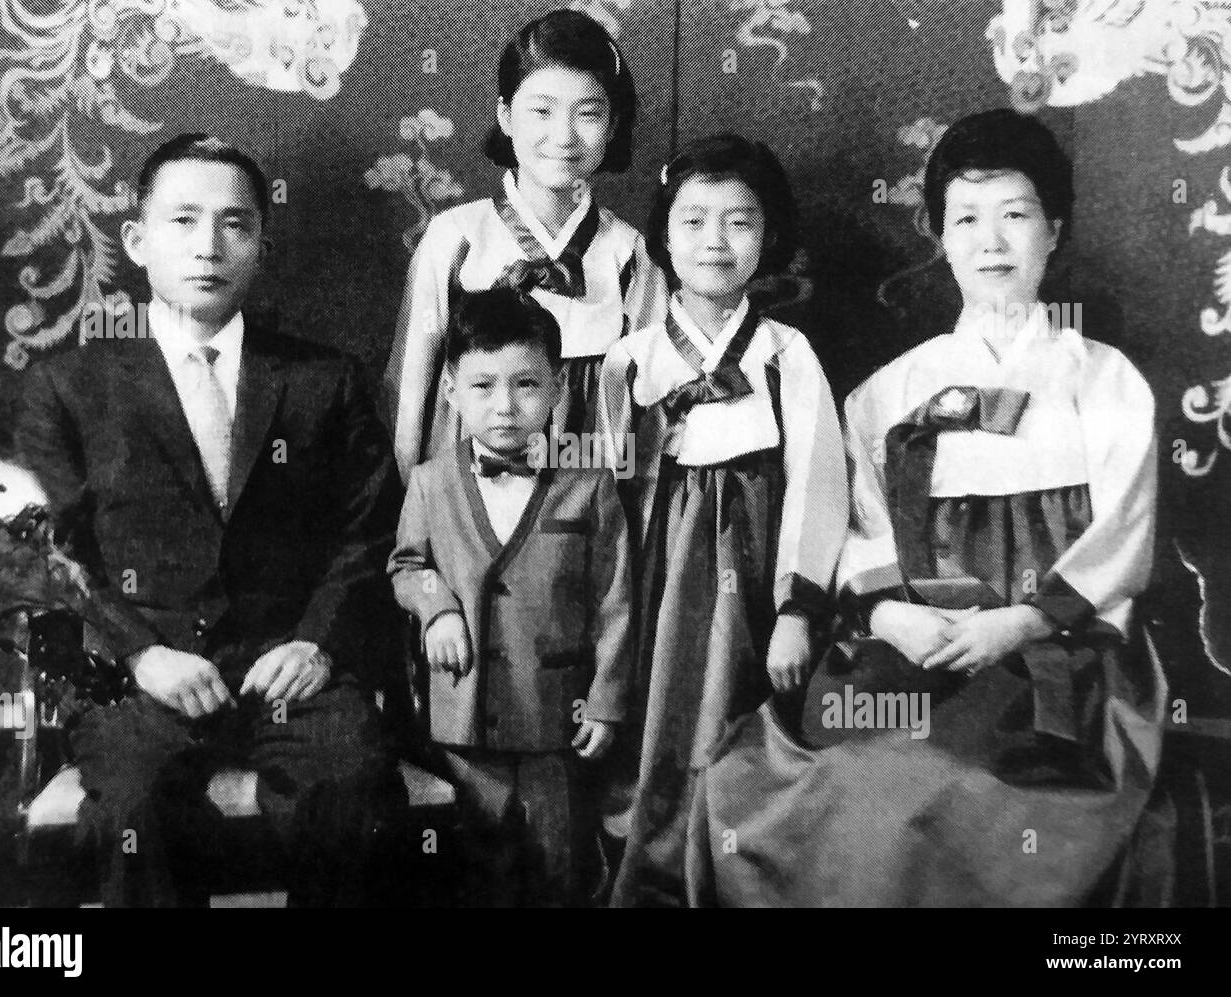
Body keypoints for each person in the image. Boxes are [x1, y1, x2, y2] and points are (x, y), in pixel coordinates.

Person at [690, 109, 1166, 907]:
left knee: (949, 786)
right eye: (966, 219)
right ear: (938, 235)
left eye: (1015, 216)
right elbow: (859, 526)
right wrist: (888, 619)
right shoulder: (889, 391)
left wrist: (1020, 622)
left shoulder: (1106, 380)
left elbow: (1124, 532)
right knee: (814, 772)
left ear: (1054, 228)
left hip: (1059, 653)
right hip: (922, 650)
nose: (992, 242)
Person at [16, 134, 404, 906]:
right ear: (137, 239)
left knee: (353, 782)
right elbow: (50, 555)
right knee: (133, 809)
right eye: (184, 220)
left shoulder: (324, 380)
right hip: (141, 673)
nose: (209, 246)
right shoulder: (70, 384)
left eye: (235, 224)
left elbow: (369, 532)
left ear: (261, 244)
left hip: (285, 661)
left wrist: (317, 644)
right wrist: (138, 655)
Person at [598, 134, 849, 907]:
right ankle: (652, 873)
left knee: (737, 735)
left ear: (767, 237)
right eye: (694, 221)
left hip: (752, 590)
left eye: (740, 222)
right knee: (650, 726)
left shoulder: (785, 355)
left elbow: (818, 483)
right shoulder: (629, 362)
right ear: (664, 237)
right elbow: (603, 503)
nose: (715, 241)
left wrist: (797, 610)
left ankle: (729, 880)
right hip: (651, 585)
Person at [388, 287, 633, 906]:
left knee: (559, 868)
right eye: (482, 386)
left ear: (557, 390)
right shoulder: (430, 482)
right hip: (461, 717)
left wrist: (604, 703)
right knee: (472, 867)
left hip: (556, 718)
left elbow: (615, 603)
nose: (505, 407)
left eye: (526, 385)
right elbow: (406, 564)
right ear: (450, 391)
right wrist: (436, 605)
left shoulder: (590, 484)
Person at [384, 7, 665, 484]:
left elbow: (648, 403)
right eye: (541, 110)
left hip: (584, 500)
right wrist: (417, 510)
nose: (564, 135)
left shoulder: (628, 254)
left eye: (588, 114)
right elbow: (409, 388)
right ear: (506, 116)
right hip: (467, 492)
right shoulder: (455, 239)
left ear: (613, 125)